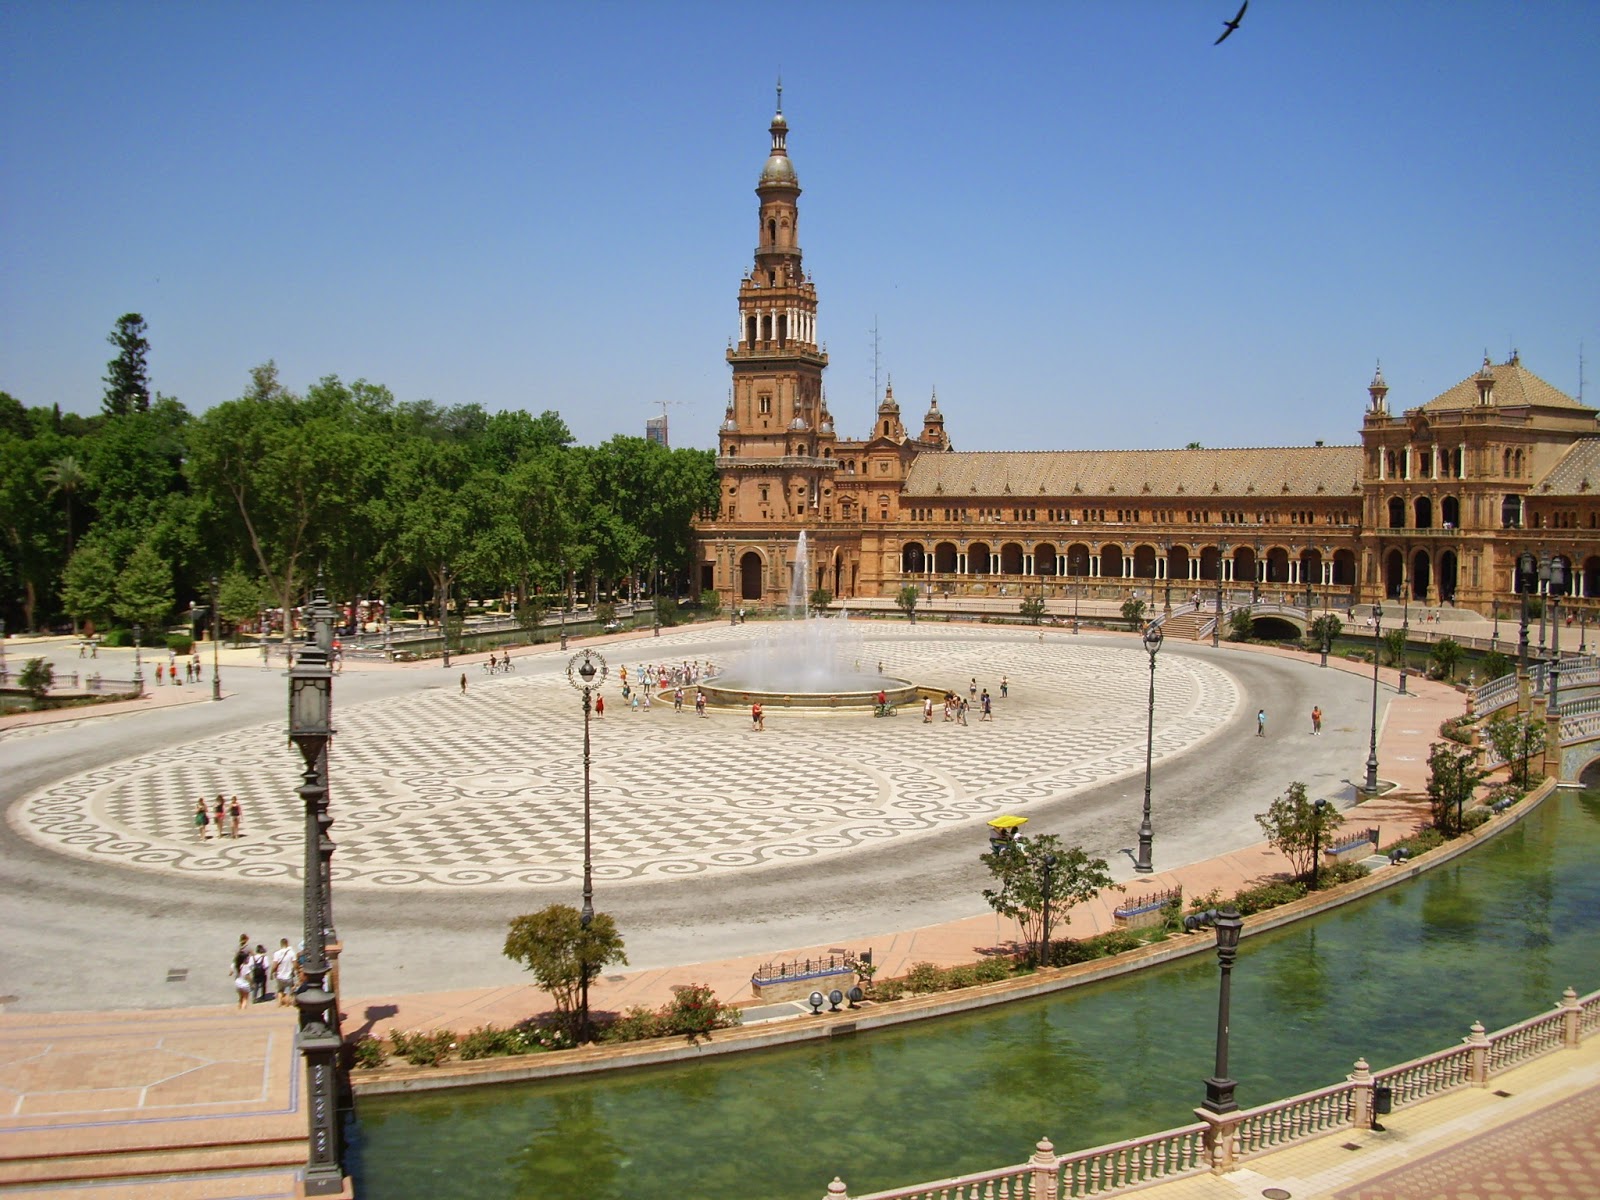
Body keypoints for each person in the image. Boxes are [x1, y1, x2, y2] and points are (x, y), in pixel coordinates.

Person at [271, 938, 297, 1006]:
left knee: (280, 990)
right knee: (288, 991)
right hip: (288, 976)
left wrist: (272, 972)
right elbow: (295, 964)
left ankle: (279, 1004)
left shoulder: (277, 953)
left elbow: (274, 965)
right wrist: (294, 971)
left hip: (279, 976)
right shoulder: (292, 953)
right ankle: (287, 1005)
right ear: (287, 944)